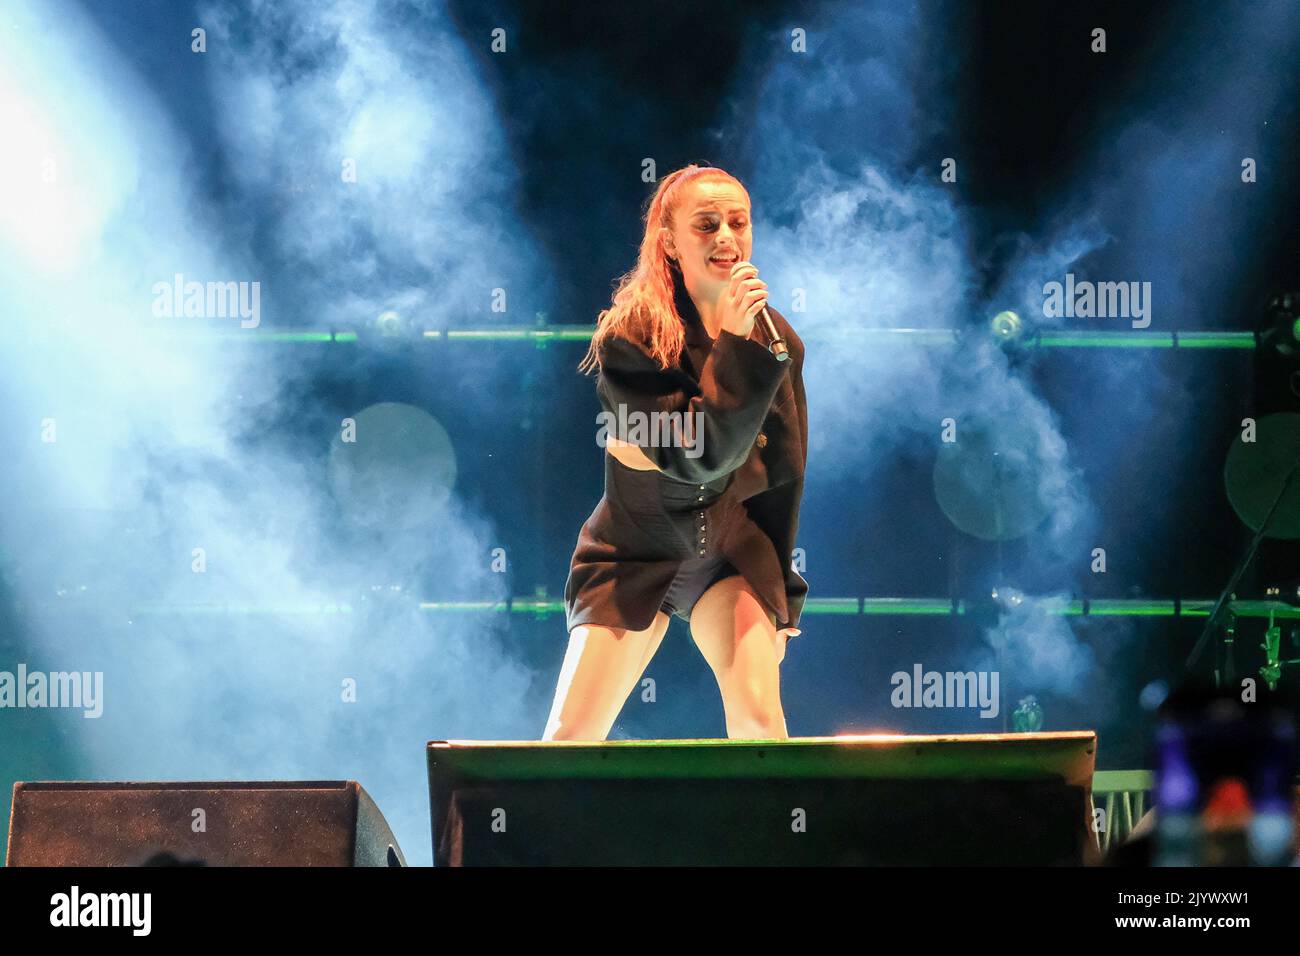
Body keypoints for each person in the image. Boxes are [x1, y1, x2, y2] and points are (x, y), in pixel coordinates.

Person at [543, 164, 809, 741]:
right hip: (635, 551)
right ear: (669, 239)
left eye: (738, 223)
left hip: (730, 552)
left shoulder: (776, 340)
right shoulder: (633, 335)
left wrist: (779, 589)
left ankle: (776, 830)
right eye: (706, 224)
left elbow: (783, 474)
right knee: (570, 739)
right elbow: (699, 454)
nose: (726, 239)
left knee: (762, 725)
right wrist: (737, 349)